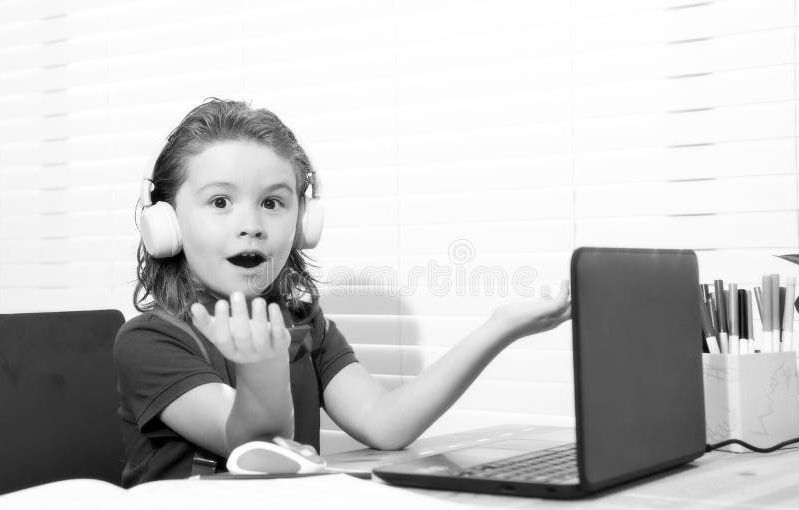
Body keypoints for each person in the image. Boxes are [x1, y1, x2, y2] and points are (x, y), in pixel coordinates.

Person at [113, 98, 571, 487]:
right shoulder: (150, 342)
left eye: (273, 202)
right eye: (220, 202)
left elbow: (386, 423)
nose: (251, 225)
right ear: (165, 222)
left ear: (303, 223)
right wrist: (264, 370)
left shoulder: (301, 322)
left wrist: (499, 328)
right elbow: (254, 448)